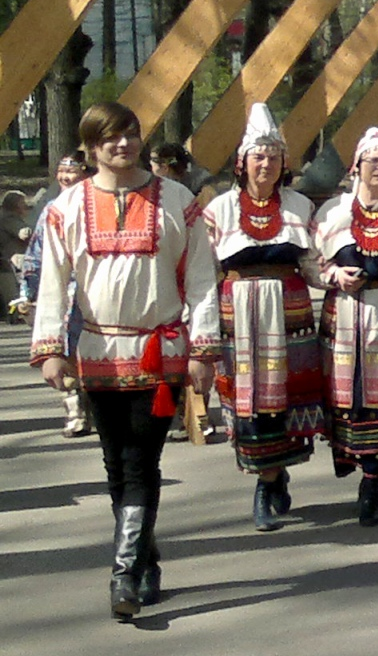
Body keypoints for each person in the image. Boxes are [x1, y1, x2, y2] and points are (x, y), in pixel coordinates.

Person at [31, 101, 220, 620]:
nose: (123, 144)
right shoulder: (66, 208)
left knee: (141, 463)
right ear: (92, 146)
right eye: (111, 137)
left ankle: (123, 574)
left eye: (131, 134)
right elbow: (53, 283)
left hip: (159, 355)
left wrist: (204, 347)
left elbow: (203, 279)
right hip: (96, 353)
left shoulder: (176, 200)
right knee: (116, 465)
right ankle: (145, 555)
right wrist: (49, 347)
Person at [202, 104, 326, 532]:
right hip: (238, 312)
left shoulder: (299, 205)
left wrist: (339, 279)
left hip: (289, 311)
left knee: (285, 400)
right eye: (259, 156)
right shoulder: (218, 210)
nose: (266, 164)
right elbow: (208, 270)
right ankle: (262, 481)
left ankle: (276, 474)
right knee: (249, 401)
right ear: (242, 162)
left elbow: (312, 263)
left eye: (273, 157)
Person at [313, 127, 378, 527]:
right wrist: (334, 275)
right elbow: (312, 262)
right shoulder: (331, 213)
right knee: (346, 397)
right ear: (355, 166)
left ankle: (373, 482)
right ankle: (353, 466)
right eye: (372, 160)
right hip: (342, 316)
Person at [20, 151, 93, 437]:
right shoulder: (53, 208)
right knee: (65, 350)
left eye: (72, 171)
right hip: (64, 293)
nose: (65, 177)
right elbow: (37, 252)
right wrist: (29, 289)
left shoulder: (99, 204)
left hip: (95, 292)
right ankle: (76, 412)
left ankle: (100, 406)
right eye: (61, 171)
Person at [0, 190, 32, 319]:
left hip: (8, 262)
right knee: (15, 295)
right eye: (22, 203)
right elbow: (23, 233)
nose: (25, 206)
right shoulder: (9, 218)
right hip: (13, 261)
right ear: (15, 205)